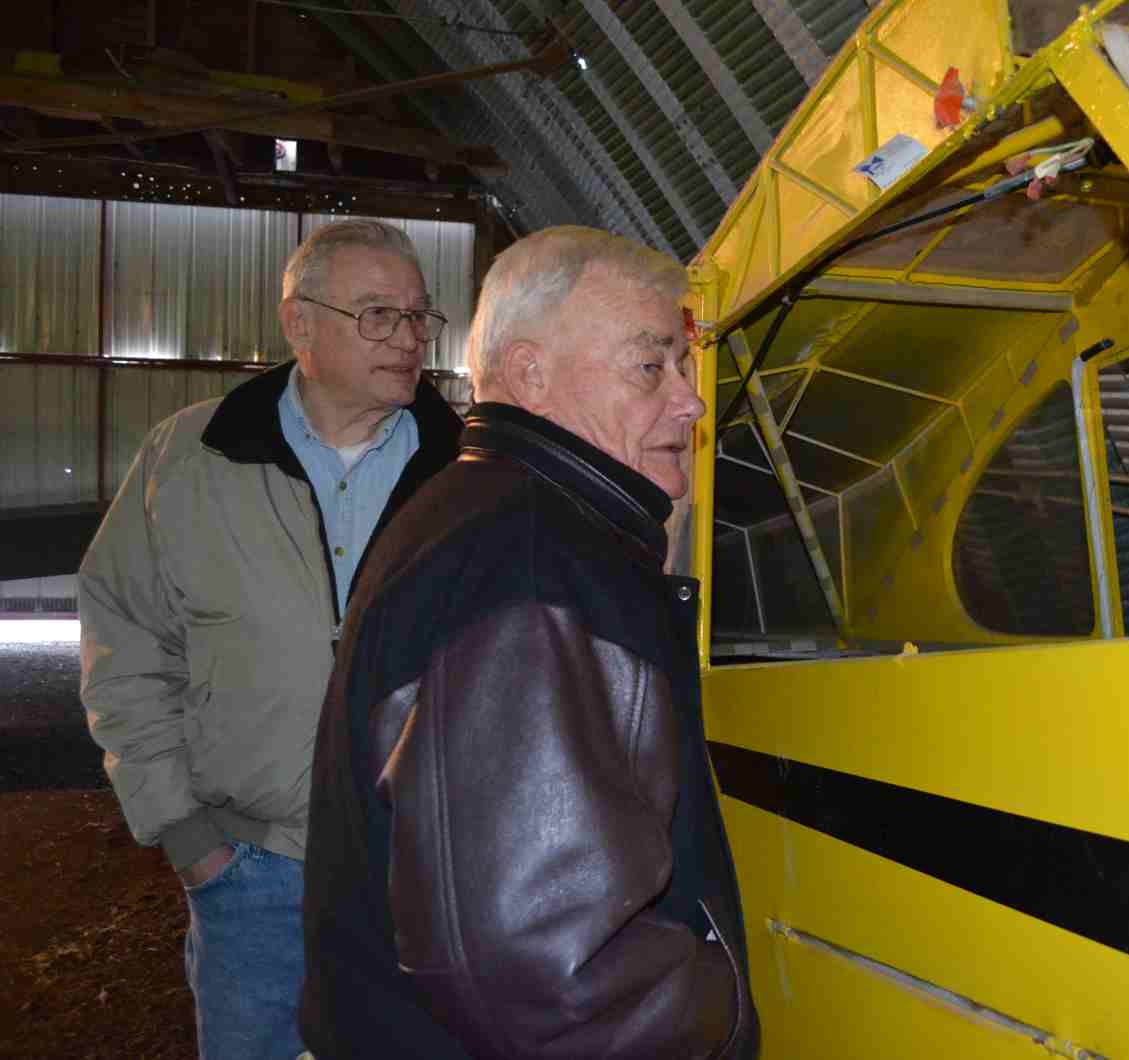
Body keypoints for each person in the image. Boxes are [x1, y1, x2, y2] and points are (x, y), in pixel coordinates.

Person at [299, 226, 758, 1059]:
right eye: (652, 366)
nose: (690, 401)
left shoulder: (488, 516)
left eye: (683, 369)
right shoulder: (533, 565)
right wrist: (720, 1011)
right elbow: (548, 970)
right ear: (529, 374)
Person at [78, 219, 464, 1059]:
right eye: (376, 315)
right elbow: (125, 639)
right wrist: (186, 836)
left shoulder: (464, 471)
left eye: (417, 317)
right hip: (252, 871)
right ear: (299, 324)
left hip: (427, 878)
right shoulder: (189, 457)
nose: (406, 339)